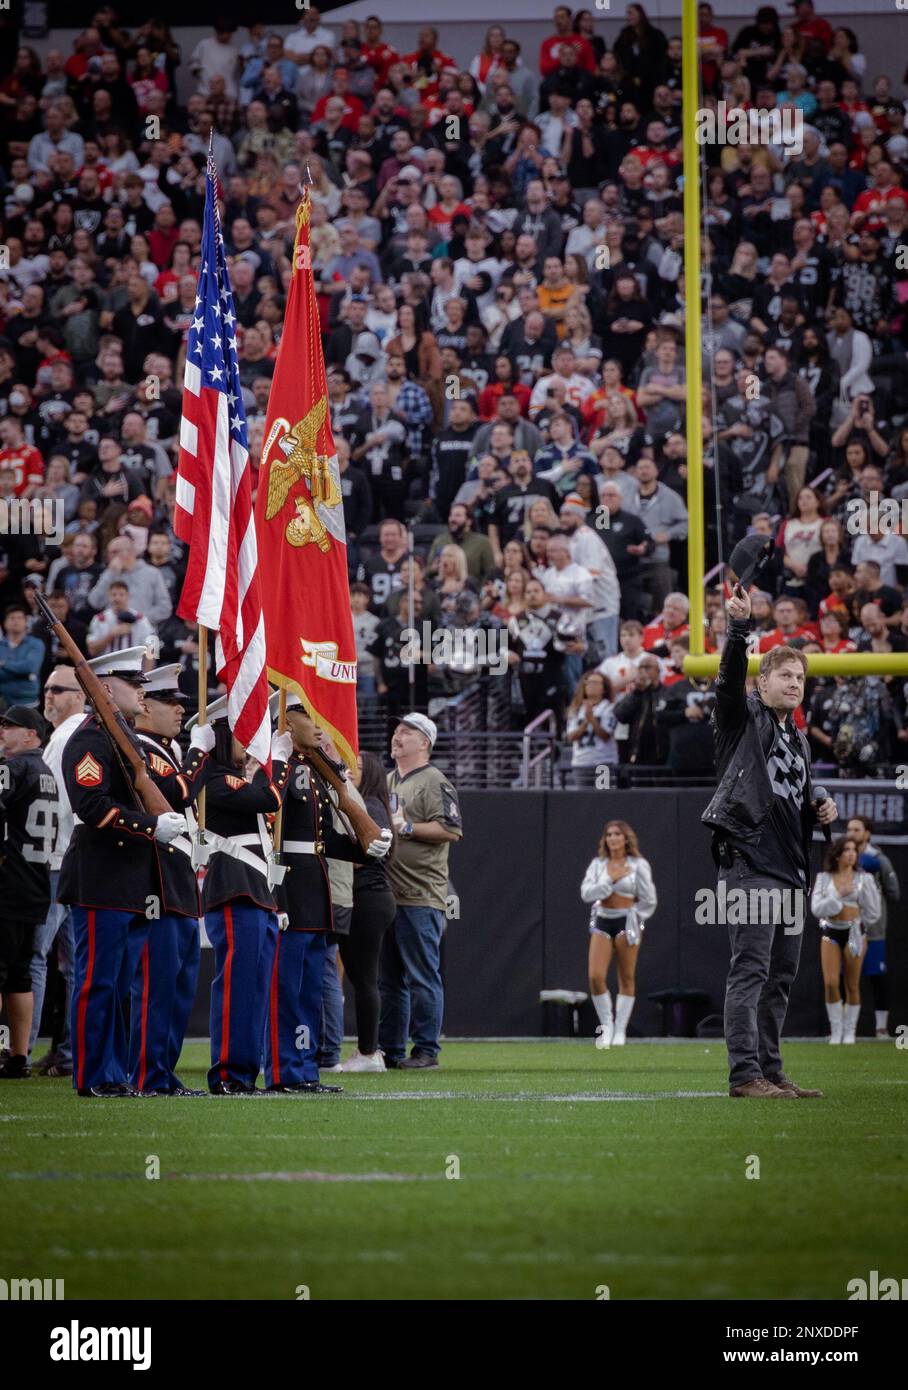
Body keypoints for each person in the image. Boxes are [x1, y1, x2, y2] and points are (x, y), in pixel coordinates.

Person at [703, 581, 838, 1099]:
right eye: (785, 674)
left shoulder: (798, 738)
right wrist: (739, 628)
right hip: (749, 861)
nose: (795, 682)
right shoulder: (742, 719)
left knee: (779, 978)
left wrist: (818, 799)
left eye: (800, 676)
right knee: (751, 971)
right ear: (762, 683)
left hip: (790, 867)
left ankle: (773, 1071)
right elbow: (727, 682)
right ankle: (744, 1076)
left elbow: (793, 789)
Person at [58, 648, 211, 1098]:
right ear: (104, 687)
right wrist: (150, 825)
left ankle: (115, 1073)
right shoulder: (90, 739)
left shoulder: (120, 737)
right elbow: (91, 806)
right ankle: (92, 1076)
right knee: (97, 981)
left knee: (122, 984)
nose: (142, 692)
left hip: (131, 880)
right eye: (134, 683)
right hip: (101, 876)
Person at [265, 695, 390, 1094]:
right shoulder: (274, 766)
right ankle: (282, 1069)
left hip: (315, 884)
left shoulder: (312, 768)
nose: (317, 724)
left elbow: (325, 839)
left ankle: (303, 1068)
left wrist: (364, 850)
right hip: (287, 883)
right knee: (287, 987)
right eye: (305, 716)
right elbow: (267, 817)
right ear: (285, 721)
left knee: (308, 990)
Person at [186, 694, 289, 1096]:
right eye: (243, 734)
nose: (252, 743)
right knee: (238, 987)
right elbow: (270, 798)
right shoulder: (214, 779)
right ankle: (229, 1073)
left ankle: (245, 1072)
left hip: (255, 891)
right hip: (234, 890)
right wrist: (277, 759)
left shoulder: (233, 778)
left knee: (256, 989)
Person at [128, 663, 208, 1096]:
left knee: (179, 988)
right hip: (156, 879)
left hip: (180, 879)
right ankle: (147, 1074)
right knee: (156, 987)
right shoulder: (141, 748)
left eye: (181, 703)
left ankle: (164, 1071)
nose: (180, 711)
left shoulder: (166, 750)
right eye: (170, 702)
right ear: (145, 705)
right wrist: (198, 754)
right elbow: (177, 794)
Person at [380, 714, 463, 1069]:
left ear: (424, 742)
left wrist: (408, 826)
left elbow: (451, 829)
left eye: (406, 732)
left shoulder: (434, 781)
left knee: (421, 975)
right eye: (397, 731)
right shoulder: (386, 780)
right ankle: (391, 1049)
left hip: (420, 892)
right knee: (389, 980)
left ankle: (427, 1049)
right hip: (388, 892)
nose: (397, 736)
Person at [27, 664, 85, 1077]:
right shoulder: (73, 734)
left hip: (54, 864)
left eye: (59, 689)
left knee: (34, 957)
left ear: (80, 696)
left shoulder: (65, 737)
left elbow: (57, 808)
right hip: (74, 864)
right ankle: (68, 1052)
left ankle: (18, 1050)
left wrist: (42, 857)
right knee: (74, 965)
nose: (49, 695)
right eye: (46, 688)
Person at [0, 706, 57, 1079]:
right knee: (19, 975)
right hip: (36, 885)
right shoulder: (46, 772)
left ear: (31, 735)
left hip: (7, 885)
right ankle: (18, 1055)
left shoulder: (14, 768)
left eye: (10, 727)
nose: (2, 732)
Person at [339, 750, 398, 1072]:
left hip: (368, 898)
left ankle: (367, 1052)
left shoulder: (370, 805)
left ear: (371, 773)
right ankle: (368, 1051)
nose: (349, 770)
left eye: (356, 767)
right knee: (363, 978)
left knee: (364, 979)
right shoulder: (366, 804)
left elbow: (365, 854)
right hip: (369, 898)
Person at [579, 818, 657, 1048]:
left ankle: (621, 1030)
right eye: (609, 834)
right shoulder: (598, 864)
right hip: (602, 920)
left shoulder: (638, 865)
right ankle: (607, 1025)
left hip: (627, 921)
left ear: (626, 838)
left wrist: (635, 914)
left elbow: (649, 898)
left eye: (617, 834)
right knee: (595, 976)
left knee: (626, 976)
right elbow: (587, 894)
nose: (612, 838)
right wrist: (610, 880)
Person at [811, 835, 881, 1045]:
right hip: (830, 931)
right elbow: (816, 909)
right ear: (838, 854)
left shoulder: (864, 878)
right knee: (831, 983)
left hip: (854, 932)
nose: (851, 854)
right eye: (847, 850)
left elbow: (873, 911)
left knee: (852, 983)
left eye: (854, 850)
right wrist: (838, 896)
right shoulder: (824, 878)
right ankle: (836, 1030)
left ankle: (850, 1032)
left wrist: (858, 920)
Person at [844, 815, 900, 1039]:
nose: (851, 834)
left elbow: (893, 892)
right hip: (846, 927)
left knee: (876, 976)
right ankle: (844, 1028)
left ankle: (881, 1027)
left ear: (867, 833)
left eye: (856, 830)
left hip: (873, 928)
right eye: (849, 829)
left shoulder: (877, 860)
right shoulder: (843, 858)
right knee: (844, 977)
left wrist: (871, 899)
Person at [565, 670, 618, 787]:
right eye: (588, 683)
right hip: (581, 762)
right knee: (583, 799)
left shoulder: (609, 708)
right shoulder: (577, 709)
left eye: (595, 683)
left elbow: (605, 735)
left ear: (604, 688)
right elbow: (571, 736)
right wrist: (585, 723)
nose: (591, 686)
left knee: (603, 799)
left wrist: (592, 719)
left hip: (603, 762)